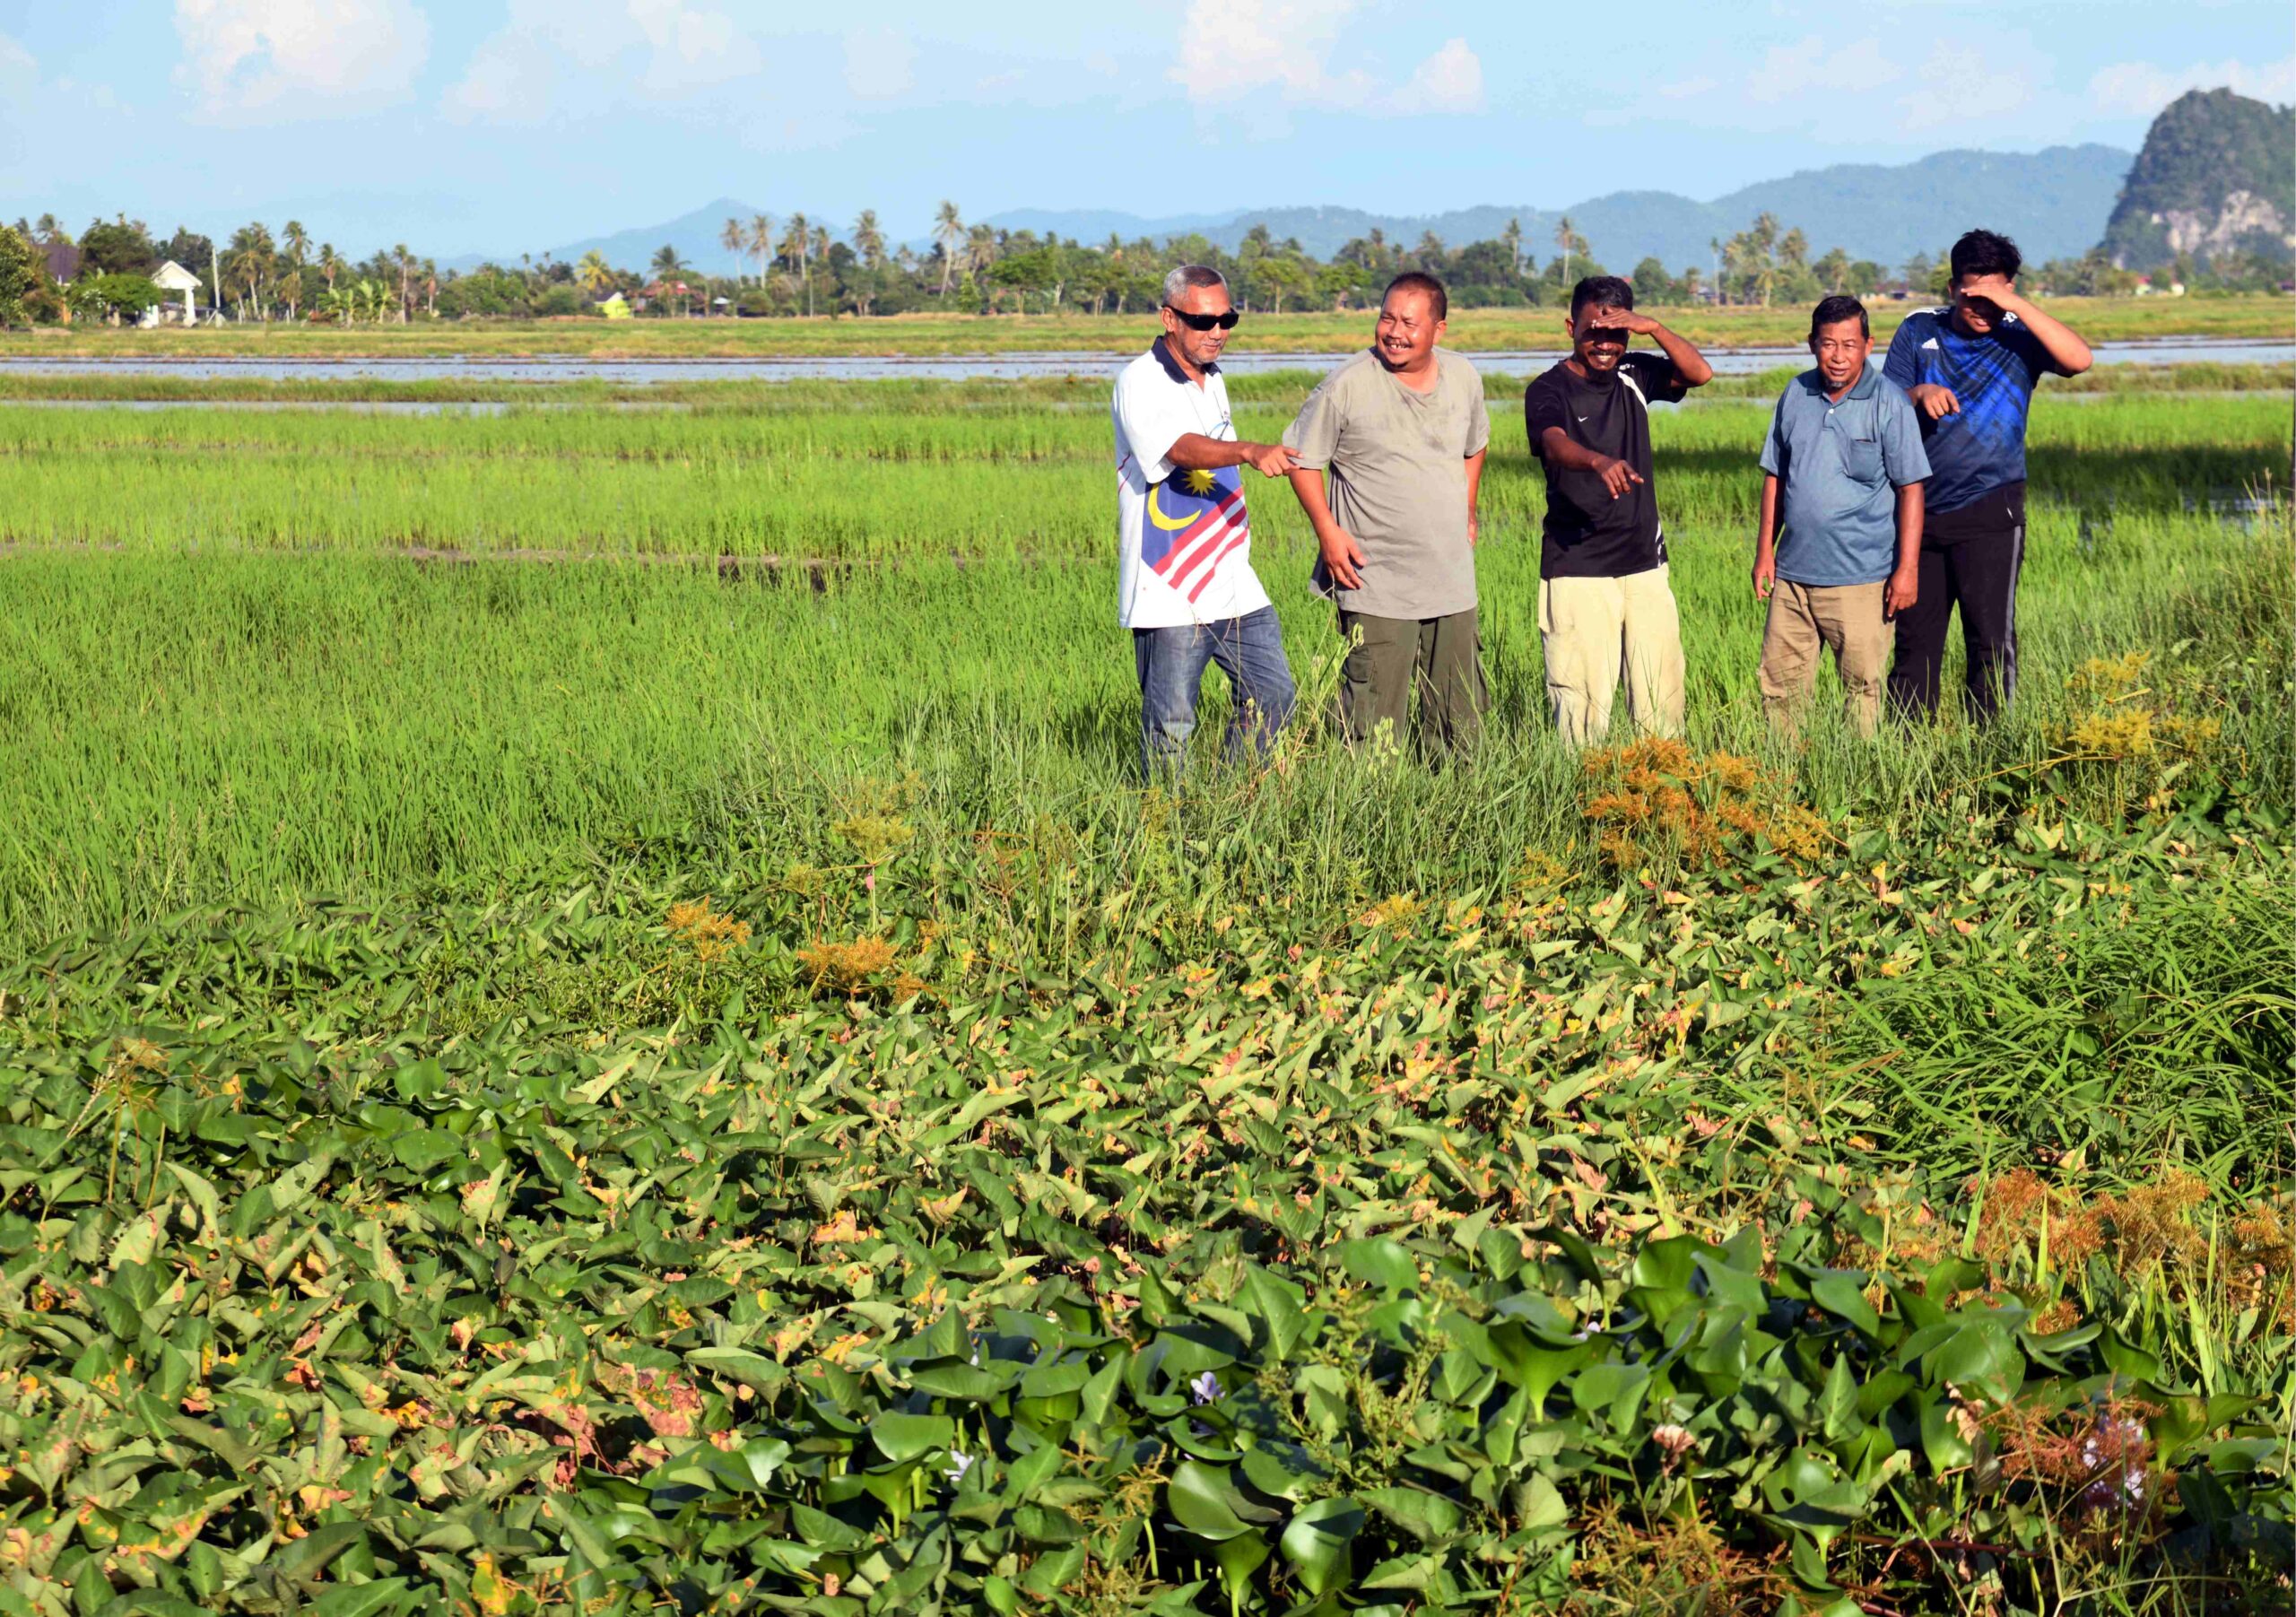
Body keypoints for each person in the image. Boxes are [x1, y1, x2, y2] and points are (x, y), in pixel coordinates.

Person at [1883, 229, 2092, 723]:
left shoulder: (2022, 336)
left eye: (1995, 296)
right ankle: (1904, 763)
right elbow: (1881, 405)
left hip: (1992, 509)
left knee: (1991, 643)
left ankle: (1993, 757)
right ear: (1953, 287)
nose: (1984, 308)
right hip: (1918, 514)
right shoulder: (1917, 330)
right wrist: (1917, 395)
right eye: (1974, 296)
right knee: (1915, 648)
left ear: (2012, 290)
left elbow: (2079, 359)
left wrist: (2011, 302)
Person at [1281, 272, 1491, 755]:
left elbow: (1475, 445)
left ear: (1438, 329)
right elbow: (1300, 460)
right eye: (1386, 317)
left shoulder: (1463, 377)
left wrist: (1468, 507)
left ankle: (1457, 816)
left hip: (1450, 578)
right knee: (1370, 725)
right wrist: (1328, 534)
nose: (1394, 331)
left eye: (1409, 322)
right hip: (1373, 582)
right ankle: (1368, 819)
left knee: (1461, 720)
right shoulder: (1347, 385)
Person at [1111, 265, 1300, 780]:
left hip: (1233, 576)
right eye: (1203, 320)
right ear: (1170, 318)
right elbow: (1177, 448)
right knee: (1171, 722)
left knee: (1274, 695)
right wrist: (1247, 449)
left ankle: (1230, 795)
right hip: (1167, 581)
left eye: (1227, 318)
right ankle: (1165, 824)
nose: (1218, 331)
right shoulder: (1139, 380)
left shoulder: (1213, 379)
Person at [1524, 275, 1713, 746]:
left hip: (1645, 567)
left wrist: (1654, 328)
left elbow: (1699, 373)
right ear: (1571, 327)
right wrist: (1597, 460)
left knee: (1661, 707)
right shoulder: (1548, 389)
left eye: (1617, 333)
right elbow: (1553, 442)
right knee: (1582, 717)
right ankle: (1582, 806)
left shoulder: (1635, 373)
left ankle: (1661, 803)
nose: (1604, 344)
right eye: (1593, 331)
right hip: (1578, 569)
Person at [1752, 295, 1930, 736]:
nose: (1838, 356)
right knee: (1780, 690)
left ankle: (1858, 788)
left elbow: (1911, 489)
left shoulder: (1889, 403)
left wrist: (1906, 570)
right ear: (1812, 343)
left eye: (1849, 345)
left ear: (1869, 345)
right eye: (1828, 344)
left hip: (1861, 579)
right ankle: (1784, 784)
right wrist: (1764, 554)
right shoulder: (1796, 392)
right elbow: (1775, 476)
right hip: (1793, 577)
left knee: (1863, 690)